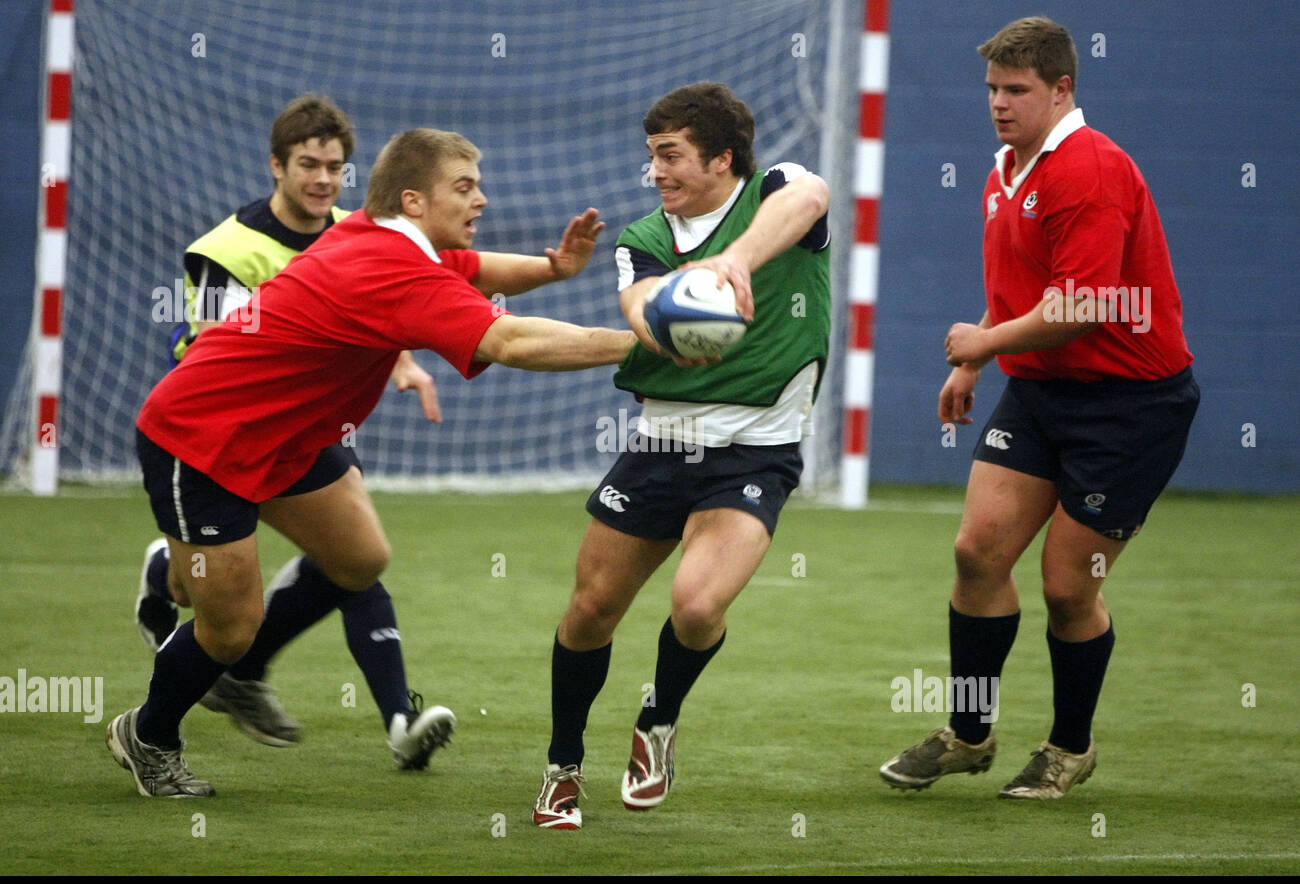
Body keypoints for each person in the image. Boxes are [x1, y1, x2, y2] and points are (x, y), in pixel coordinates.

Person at [107, 126, 637, 797]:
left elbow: (474, 271)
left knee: (358, 557)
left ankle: (205, 620)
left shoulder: (376, 231)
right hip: (203, 437)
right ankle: (149, 734)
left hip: (284, 439)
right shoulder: (389, 265)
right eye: (465, 187)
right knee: (230, 626)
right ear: (414, 200)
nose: (482, 200)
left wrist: (553, 268)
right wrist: (641, 342)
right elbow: (509, 339)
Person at [879, 17, 1198, 799]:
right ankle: (970, 731)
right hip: (1042, 392)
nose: (998, 103)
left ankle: (1070, 746)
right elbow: (1025, 295)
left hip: (1131, 406)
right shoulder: (1005, 171)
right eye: (992, 88)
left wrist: (980, 342)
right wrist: (980, 359)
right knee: (977, 552)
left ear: (1062, 89)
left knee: (1066, 585)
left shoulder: (1087, 167)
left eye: (1016, 90)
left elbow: (1083, 305)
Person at [532, 82, 831, 829]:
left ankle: (658, 721)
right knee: (591, 609)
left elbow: (812, 196)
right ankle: (562, 765)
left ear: (721, 157)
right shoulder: (642, 238)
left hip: (757, 452)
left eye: (670, 155)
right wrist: (672, 315)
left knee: (698, 606)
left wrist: (733, 262)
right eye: (651, 155)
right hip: (663, 445)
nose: (655, 171)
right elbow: (637, 308)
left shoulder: (775, 191)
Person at [133, 94, 454, 767]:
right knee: (214, 603)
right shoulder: (229, 249)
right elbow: (217, 356)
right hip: (224, 437)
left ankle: (397, 718)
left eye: (335, 167)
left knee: (357, 555)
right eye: (308, 164)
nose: (323, 180)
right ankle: (170, 579)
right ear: (275, 165)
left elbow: (373, 308)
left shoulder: (357, 230)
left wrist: (401, 359)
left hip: (308, 431)